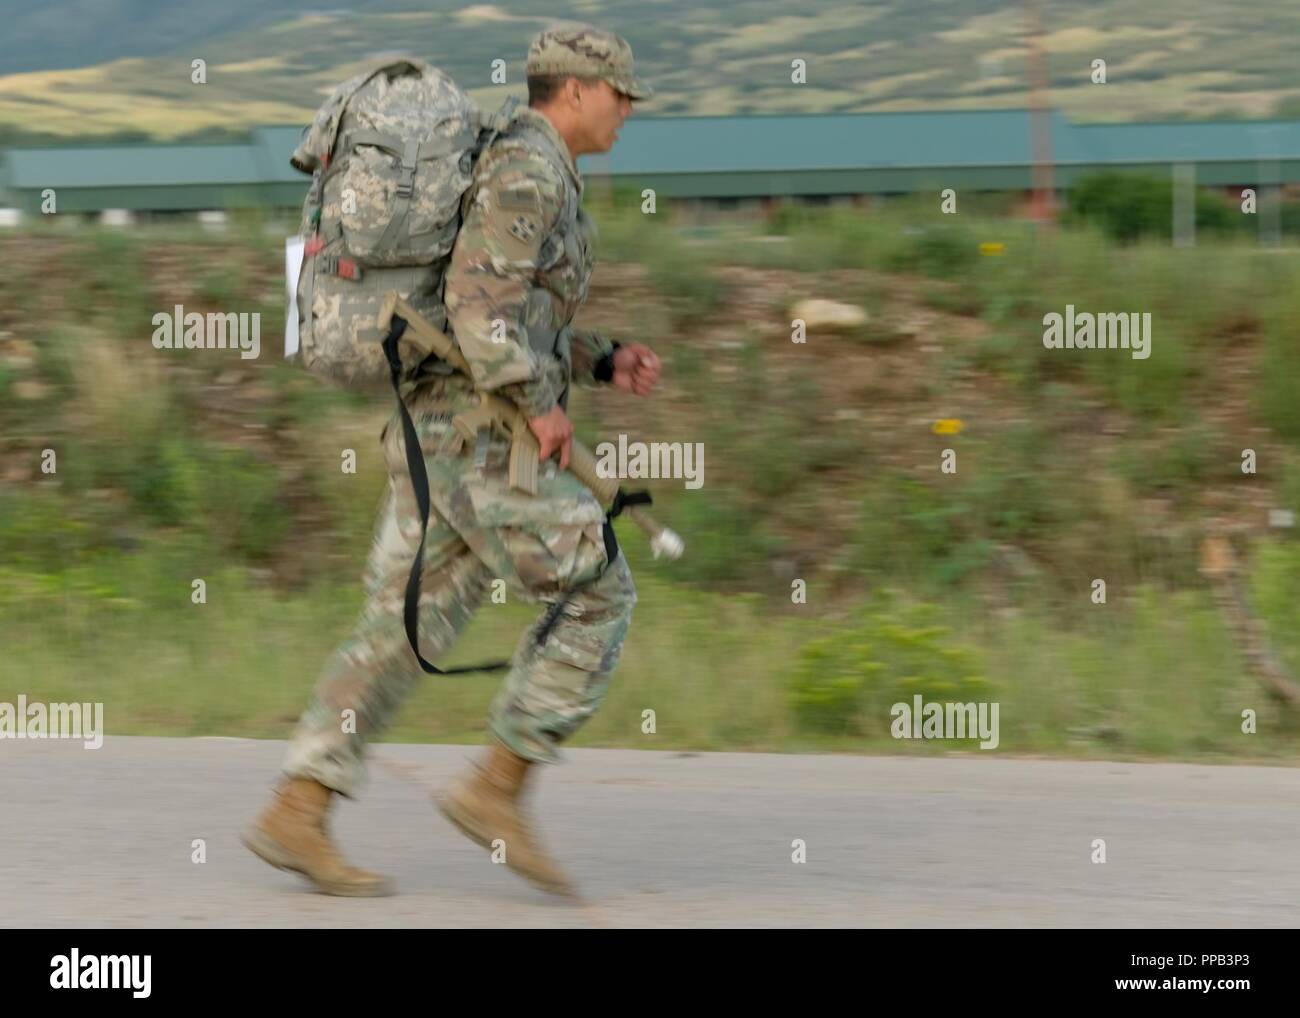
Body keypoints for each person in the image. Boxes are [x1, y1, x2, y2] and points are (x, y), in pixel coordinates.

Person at [243, 23, 660, 898]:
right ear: (575, 89)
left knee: (403, 628)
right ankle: (496, 787)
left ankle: (298, 808)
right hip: (478, 440)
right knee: (598, 590)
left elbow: (509, 310)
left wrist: (600, 358)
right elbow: (476, 309)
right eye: (619, 93)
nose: (627, 110)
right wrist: (540, 405)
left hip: (443, 431)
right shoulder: (527, 171)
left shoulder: (531, 165)